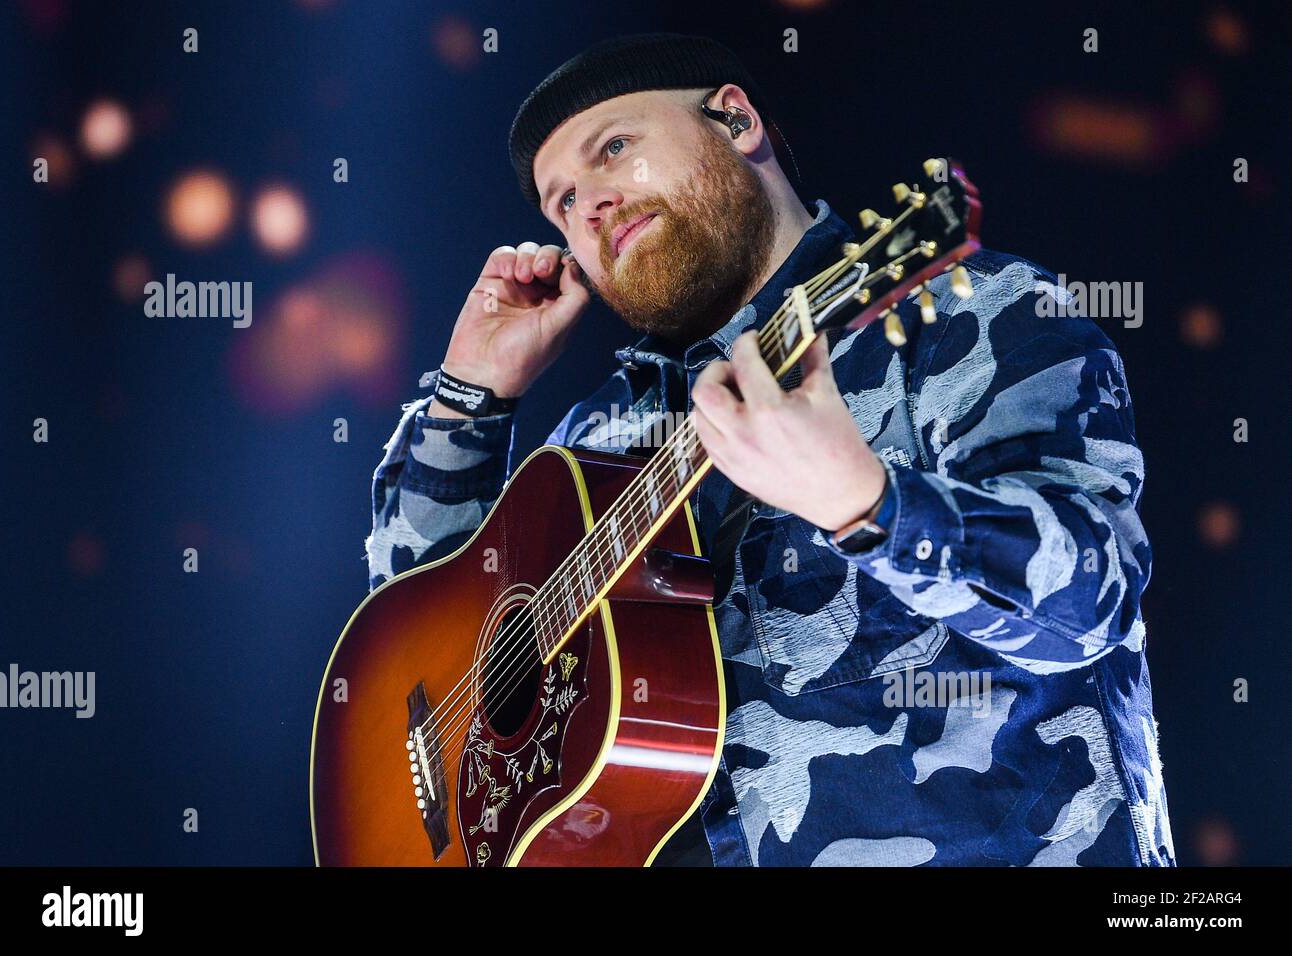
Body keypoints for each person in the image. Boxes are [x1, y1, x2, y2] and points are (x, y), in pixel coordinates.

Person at [365, 33, 1174, 867]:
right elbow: (414, 645)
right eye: (562, 202)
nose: (592, 205)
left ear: (737, 120)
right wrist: (469, 393)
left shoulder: (973, 316)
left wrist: (870, 506)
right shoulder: (592, 448)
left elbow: (1093, 608)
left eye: (614, 149)